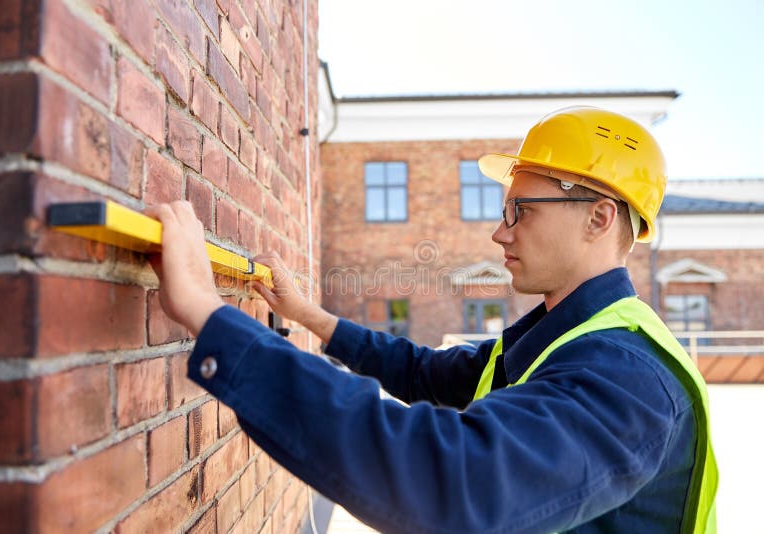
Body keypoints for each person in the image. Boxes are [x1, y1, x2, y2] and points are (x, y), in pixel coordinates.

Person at [149, 107, 717, 533]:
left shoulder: (627, 376)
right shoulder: (561, 340)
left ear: (599, 218)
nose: (499, 232)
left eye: (520, 210)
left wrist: (209, 313)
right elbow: (422, 371)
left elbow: (452, 482)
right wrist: (307, 315)